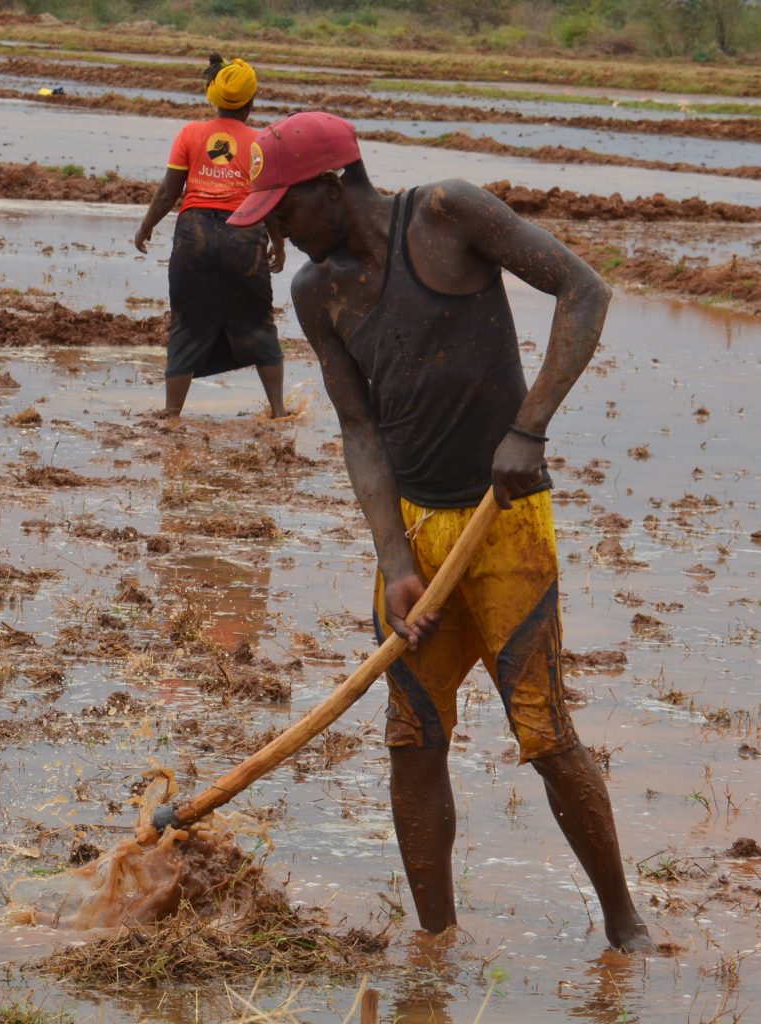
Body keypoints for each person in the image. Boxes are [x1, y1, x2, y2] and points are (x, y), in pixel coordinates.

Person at [228, 111, 655, 953]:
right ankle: (436, 940)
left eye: (283, 209)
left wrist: (528, 430)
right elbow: (359, 431)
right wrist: (393, 559)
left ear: (332, 184)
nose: (277, 231)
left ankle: (623, 925)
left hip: (507, 527)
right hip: (418, 530)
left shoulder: (447, 214)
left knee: (543, 730)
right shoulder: (319, 292)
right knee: (413, 737)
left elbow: (584, 290)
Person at [134, 54, 287, 418]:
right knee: (257, 322)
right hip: (244, 236)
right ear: (251, 102)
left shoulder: (190, 134)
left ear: (214, 99)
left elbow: (170, 190)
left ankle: (172, 414)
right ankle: (279, 412)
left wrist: (146, 224)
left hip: (194, 237)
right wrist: (279, 243)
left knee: (188, 322)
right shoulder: (263, 143)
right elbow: (271, 200)